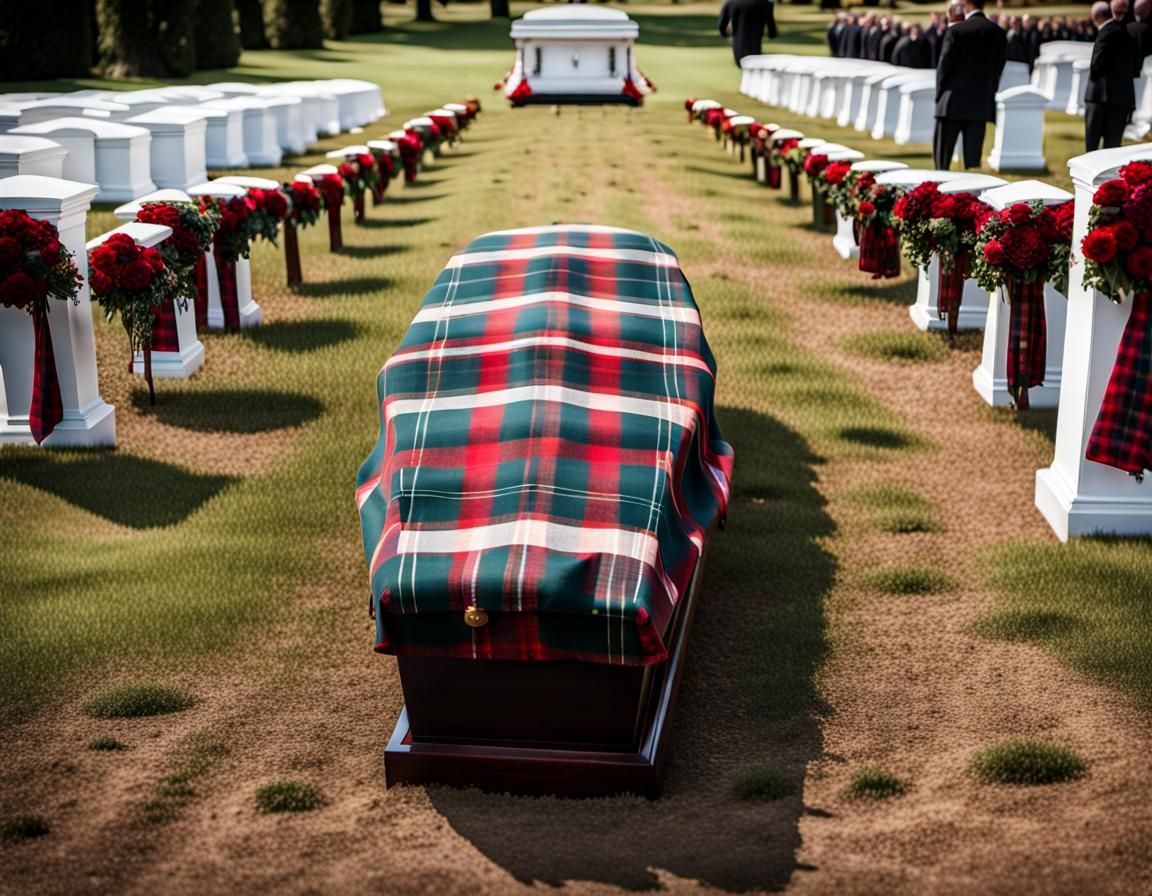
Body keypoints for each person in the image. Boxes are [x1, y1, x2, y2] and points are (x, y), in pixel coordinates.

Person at [933, 0, 1008, 170]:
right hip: (980, 103)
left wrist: (939, 97)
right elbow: (998, 69)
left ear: (965, 4)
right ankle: (969, 196)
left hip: (950, 102)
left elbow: (943, 68)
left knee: (942, 163)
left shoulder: (956, 30)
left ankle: (938, 194)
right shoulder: (998, 33)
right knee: (972, 164)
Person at [1085, 0, 1141, 150]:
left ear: (1095, 17)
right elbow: (1136, 68)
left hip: (1099, 97)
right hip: (1123, 98)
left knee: (1092, 146)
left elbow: (1096, 66)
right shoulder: (1129, 34)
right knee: (1112, 147)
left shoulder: (1105, 32)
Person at [718, 0, 779, 68]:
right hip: (756, 46)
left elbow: (721, 26)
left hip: (738, 47)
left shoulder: (731, 2)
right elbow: (772, 29)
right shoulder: (765, 3)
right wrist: (771, 34)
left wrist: (726, 35)